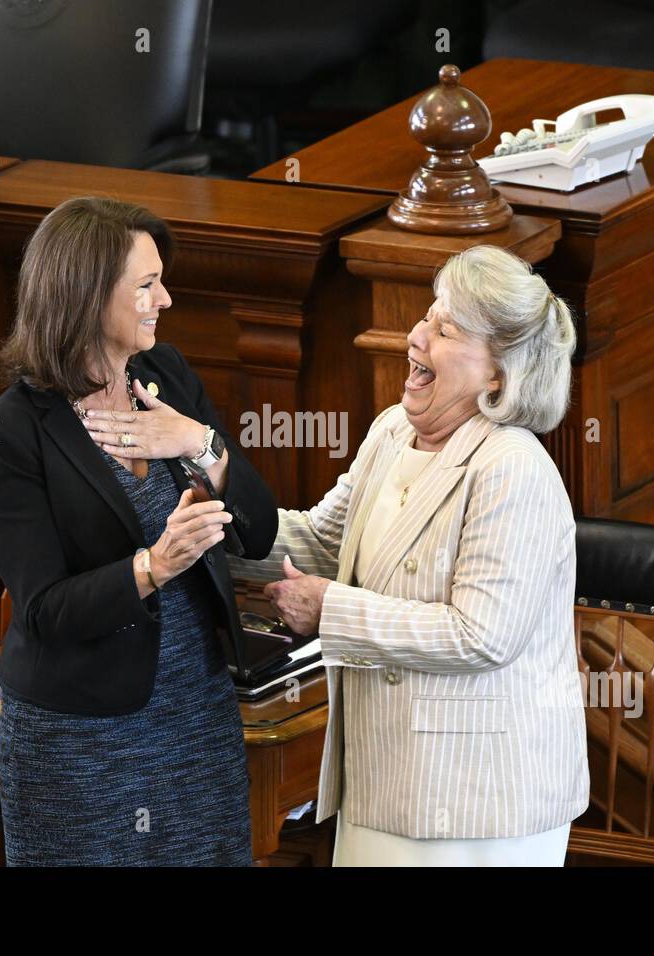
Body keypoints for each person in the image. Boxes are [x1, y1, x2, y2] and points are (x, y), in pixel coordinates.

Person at [230, 244, 589, 865]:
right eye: (427, 315)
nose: (415, 337)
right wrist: (204, 534)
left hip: (477, 796)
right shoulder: (394, 429)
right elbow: (321, 544)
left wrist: (331, 612)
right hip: (387, 772)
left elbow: (481, 635)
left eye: (444, 329)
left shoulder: (512, 469)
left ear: (498, 375)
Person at [0, 196, 277, 865]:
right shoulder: (11, 435)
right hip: (82, 739)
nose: (164, 299)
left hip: (194, 715)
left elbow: (259, 529)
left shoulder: (164, 376)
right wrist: (154, 567)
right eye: (146, 285)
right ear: (85, 296)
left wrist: (199, 441)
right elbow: (47, 610)